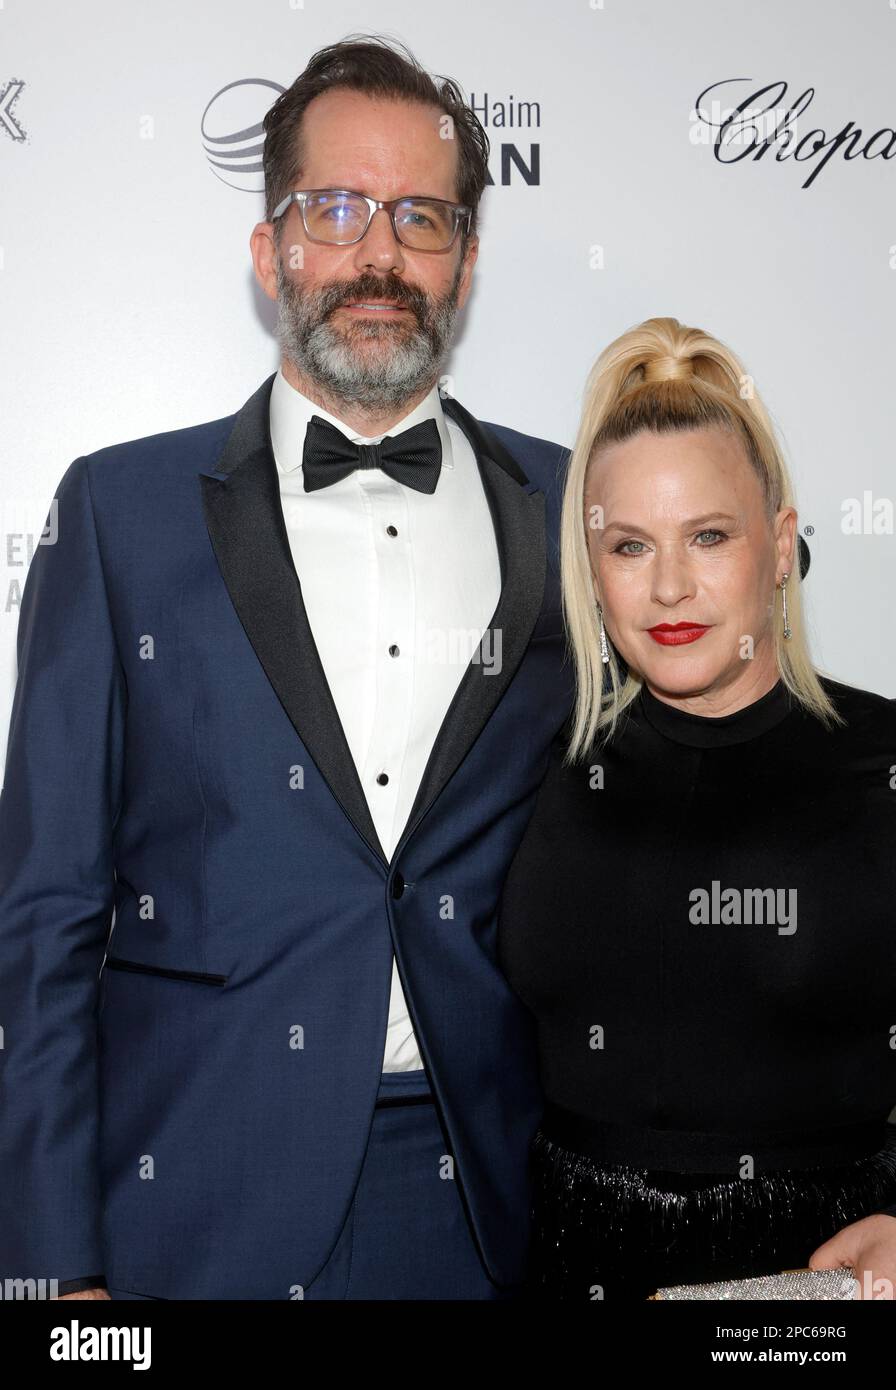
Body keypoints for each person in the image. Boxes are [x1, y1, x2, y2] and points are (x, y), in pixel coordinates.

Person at [0, 35, 573, 1301]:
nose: (379, 253)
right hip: (188, 1199)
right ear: (272, 252)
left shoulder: (568, 507)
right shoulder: (118, 515)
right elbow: (41, 918)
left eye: (421, 217)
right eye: (335, 209)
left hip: (480, 1203)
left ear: (466, 262)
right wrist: (47, 1270)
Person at [497, 316, 896, 1301]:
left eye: (707, 536)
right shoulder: (529, 762)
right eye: (629, 545)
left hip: (813, 1281)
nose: (667, 585)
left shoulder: (881, 760)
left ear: (777, 547)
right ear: (590, 569)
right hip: (562, 1271)